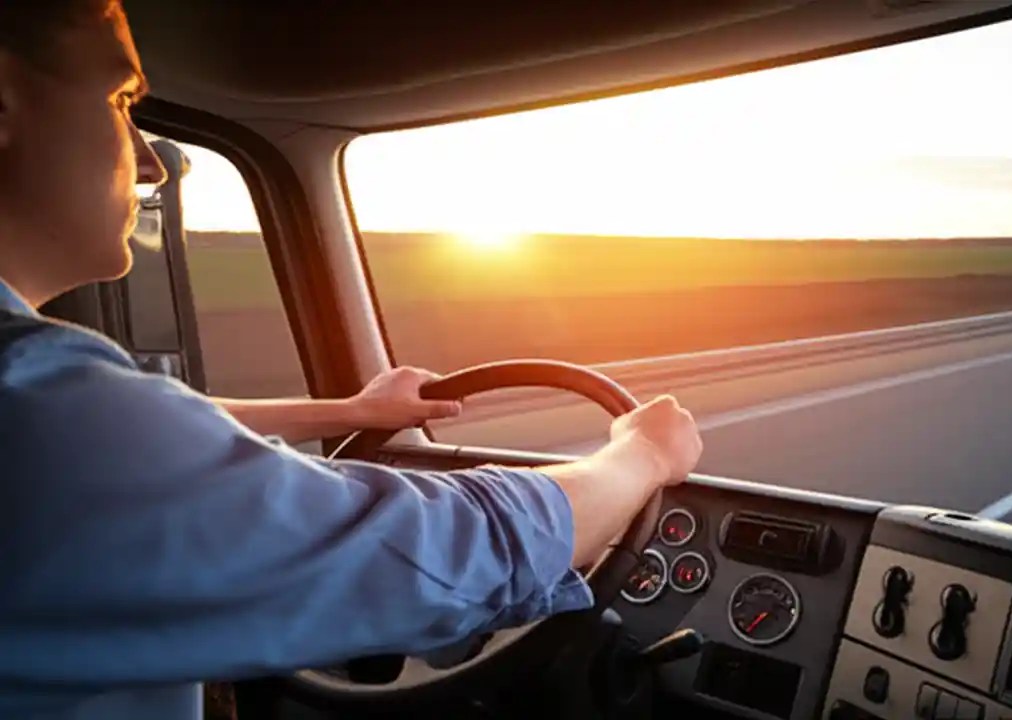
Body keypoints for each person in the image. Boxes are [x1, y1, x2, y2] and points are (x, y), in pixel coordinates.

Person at [0, 2, 704, 718]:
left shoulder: (40, 401)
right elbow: (443, 553)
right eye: (122, 102)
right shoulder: (42, 418)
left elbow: (145, 431)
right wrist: (641, 457)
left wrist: (354, 412)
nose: (157, 162)